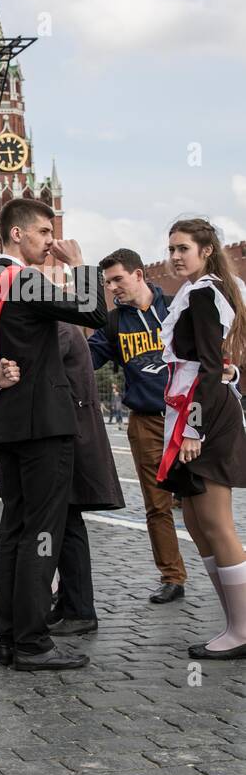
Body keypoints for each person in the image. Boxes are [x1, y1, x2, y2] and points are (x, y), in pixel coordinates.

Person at [0, 197, 107, 671]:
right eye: (45, 233)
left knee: (15, 531)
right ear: (17, 235)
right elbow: (92, 311)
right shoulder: (23, 280)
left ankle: (9, 638)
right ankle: (31, 642)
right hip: (44, 424)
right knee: (42, 532)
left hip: (7, 425)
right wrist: (81, 263)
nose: (51, 241)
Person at [156, 219, 246, 660]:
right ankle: (233, 622)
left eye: (183, 248)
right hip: (188, 410)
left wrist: (194, 427)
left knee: (215, 523)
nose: (175, 256)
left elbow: (211, 367)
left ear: (206, 250)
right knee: (194, 521)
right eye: (171, 248)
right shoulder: (194, 293)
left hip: (203, 414)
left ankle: (243, 630)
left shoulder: (206, 294)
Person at [90, 248, 186, 603]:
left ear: (139, 275)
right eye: (107, 282)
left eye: (118, 279)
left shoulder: (177, 308)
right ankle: (172, 576)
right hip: (145, 421)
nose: (113, 287)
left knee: (201, 499)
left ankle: (223, 565)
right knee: (157, 504)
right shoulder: (113, 323)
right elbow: (85, 360)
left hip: (187, 417)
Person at [50, 321, 124, 636]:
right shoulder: (63, 330)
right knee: (67, 525)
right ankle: (71, 603)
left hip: (71, 440)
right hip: (72, 437)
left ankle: (80, 610)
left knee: (69, 526)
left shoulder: (60, 333)